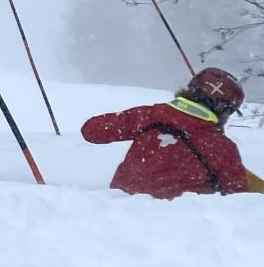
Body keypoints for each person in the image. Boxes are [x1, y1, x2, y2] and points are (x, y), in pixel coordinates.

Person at [81, 67, 250, 199]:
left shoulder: (148, 116)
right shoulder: (221, 147)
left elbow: (91, 130)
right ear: (222, 109)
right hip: (176, 224)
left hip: (118, 211)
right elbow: (238, 200)